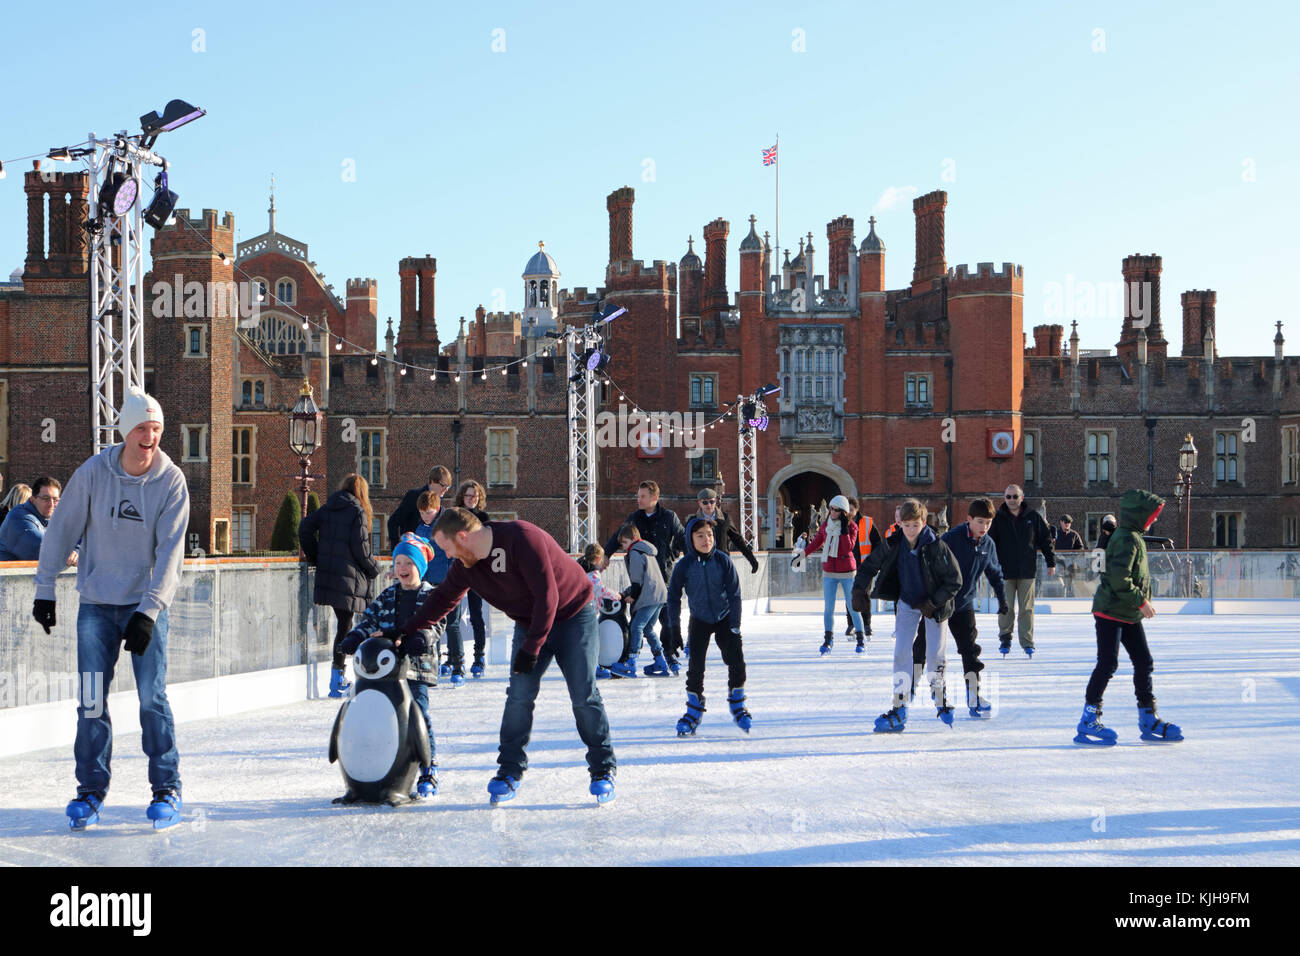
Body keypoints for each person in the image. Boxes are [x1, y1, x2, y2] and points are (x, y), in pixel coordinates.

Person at [33, 387, 190, 828]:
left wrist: (150, 610)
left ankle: (166, 787)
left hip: (144, 607)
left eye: (156, 429)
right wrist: (45, 588)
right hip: (97, 606)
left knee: (152, 699)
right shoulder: (94, 473)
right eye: (142, 428)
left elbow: (172, 552)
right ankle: (90, 790)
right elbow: (61, 530)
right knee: (89, 701)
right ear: (126, 431)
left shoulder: (171, 480)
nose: (150, 437)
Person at [400, 507, 617, 804]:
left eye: (447, 548)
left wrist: (531, 648)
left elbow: (548, 596)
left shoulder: (522, 538)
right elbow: (442, 599)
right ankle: (509, 771)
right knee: (519, 695)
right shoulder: (467, 565)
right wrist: (403, 631)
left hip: (573, 615)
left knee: (583, 694)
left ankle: (603, 769)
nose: (447, 556)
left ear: (462, 537)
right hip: (530, 622)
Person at [339, 532, 446, 797]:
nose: (402, 569)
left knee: (418, 716)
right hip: (385, 676)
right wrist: (355, 636)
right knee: (385, 720)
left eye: (408, 563)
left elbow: (437, 625)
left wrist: (421, 638)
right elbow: (369, 622)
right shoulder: (388, 595)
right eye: (398, 563)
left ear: (419, 566)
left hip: (418, 669)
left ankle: (429, 769)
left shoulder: (431, 595)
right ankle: (382, 769)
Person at [1076, 489, 1183, 745]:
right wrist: (1142, 601)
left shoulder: (1133, 536)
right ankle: (1088, 719)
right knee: (1108, 663)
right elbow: (1117, 577)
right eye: (1152, 515)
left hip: (1127, 613)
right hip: (1111, 611)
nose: (1154, 520)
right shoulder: (1126, 539)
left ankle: (1148, 716)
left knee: (1144, 661)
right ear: (1140, 515)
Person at [862, 498, 962, 732]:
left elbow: (955, 580)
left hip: (935, 606)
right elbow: (870, 565)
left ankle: (940, 698)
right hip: (907, 603)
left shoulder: (937, 546)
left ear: (923, 522)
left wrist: (934, 602)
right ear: (900, 525)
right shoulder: (895, 542)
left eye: (915, 525)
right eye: (906, 525)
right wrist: (859, 588)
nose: (910, 531)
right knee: (901, 654)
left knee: (935, 655)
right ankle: (900, 707)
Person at [298, 474, 381, 698]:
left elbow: (305, 527)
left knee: (345, 624)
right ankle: (341, 677)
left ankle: (339, 676)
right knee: (351, 625)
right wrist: (375, 569)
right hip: (349, 578)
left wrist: (317, 558)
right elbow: (361, 551)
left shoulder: (329, 507)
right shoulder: (358, 511)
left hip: (330, 575)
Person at [667, 516, 749, 735]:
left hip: (725, 618)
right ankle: (693, 711)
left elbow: (735, 594)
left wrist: (735, 625)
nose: (706, 540)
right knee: (695, 668)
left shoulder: (722, 560)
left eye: (710, 535)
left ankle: (738, 702)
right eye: (700, 536)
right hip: (699, 620)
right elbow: (673, 597)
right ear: (690, 539)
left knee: (736, 662)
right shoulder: (684, 565)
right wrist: (674, 629)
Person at [603, 481, 685, 668]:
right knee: (640, 622)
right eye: (638, 496)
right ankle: (630, 655)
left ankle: (668, 655)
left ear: (654, 498)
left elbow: (682, 538)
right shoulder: (634, 518)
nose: (638, 499)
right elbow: (619, 536)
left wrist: (688, 561)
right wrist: (607, 554)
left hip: (664, 577)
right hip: (643, 580)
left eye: (642, 496)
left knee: (666, 620)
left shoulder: (669, 517)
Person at [940, 497, 1009, 717]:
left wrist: (1002, 598)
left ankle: (974, 697)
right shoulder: (951, 539)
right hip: (940, 604)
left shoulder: (988, 544)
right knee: (924, 652)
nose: (984, 527)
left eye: (988, 523)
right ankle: (903, 700)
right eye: (980, 522)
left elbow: (995, 573)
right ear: (969, 519)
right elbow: (931, 567)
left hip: (964, 606)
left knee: (970, 652)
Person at [988, 484, 1056, 657]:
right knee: (1006, 607)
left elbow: (1045, 539)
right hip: (1004, 571)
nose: (1011, 500)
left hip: (1026, 570)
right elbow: (989, 544)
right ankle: (1005, 636)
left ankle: (1027, 641)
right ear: (1004, 498)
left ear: (1022, 497)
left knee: (1026, 608)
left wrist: (1051, 562)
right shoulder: (997, 518)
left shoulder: (1032, 517)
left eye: (1014, 497)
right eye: (1008, 497)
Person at [795, 494, 865, 654]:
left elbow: (847, 548)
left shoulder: (852, 527)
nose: (832, 512)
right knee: (828, 608)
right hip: (829, 571)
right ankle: (828, 640)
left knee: (853, 607)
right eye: (831, 509)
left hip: (847, 571)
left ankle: (860, 639)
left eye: (836, 510)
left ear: (843, 512)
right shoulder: (826, 525)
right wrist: (802, 555)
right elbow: (817, 542)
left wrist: (843, 530)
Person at [411, 489, 466, 685]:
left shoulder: (448, 527)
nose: (425, 516)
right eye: (422, 512)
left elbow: (456, 554)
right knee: (430, 626)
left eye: (429, 512)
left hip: (450, 583)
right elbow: (419, 557)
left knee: (452, 624)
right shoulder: (420, 529)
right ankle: (434, 662)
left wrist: (454, 578)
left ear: (437, 509)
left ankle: (458, 665)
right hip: (429, 583)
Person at [609, 523, 670, 678]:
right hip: (659, 595)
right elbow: (647, 578)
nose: (622, 546)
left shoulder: (635, 551)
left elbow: (638, 580)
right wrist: (626, 593)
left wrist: (633, 595)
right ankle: (660, 660)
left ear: (634, 539)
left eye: (624, 542)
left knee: (636, 626)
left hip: (649, 597)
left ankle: (631, 662)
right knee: (648, 628)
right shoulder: (647, 551)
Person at [452, 480, 491, 677]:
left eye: (475, 496)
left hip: (476, 570)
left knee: (476, 615)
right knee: (452, 617)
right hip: (458, 569)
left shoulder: (483, 517)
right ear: (462, 497)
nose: (472, 499)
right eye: (468, 496)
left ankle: (479, 655)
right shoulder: (454, 516)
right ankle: (452, 657)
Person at [673, 488, 759, 574]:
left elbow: (737, 539)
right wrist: (675, 553)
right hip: (700, 565)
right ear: (699, 503)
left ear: (716, 502)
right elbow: (684, 539)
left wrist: (751, 559)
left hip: (721, 564)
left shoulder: (724, 519)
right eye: (705, 502)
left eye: (711, 502)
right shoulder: (693, 521)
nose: (709, 505)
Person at [0, 476, 77, 564]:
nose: (51, 504)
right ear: (33, 500)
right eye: (45, 499)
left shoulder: (51, 519)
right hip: (7, 575)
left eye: (55, 500)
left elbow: (76, 540)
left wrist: (76, 552)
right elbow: (40, 546)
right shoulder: (19, 517)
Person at [387, 466, 452, 551]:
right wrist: (397, 548)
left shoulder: (440, 504)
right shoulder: (414, 496)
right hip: (412, 552)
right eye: (443, 485)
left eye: (448, 486)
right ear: (432, 481)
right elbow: (393, 522)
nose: (446, 489)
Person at [843, 497, 882, 638]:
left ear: (857, 509)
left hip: (866, 566)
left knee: (864, 595)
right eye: (847, 510)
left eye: (852, 510)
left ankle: (866, 624)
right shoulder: (841, 523)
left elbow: (877, 542)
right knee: (850, 596)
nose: (850, 513)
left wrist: (874, 560)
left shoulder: (867, 522)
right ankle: (851, 624)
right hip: (848, 566)